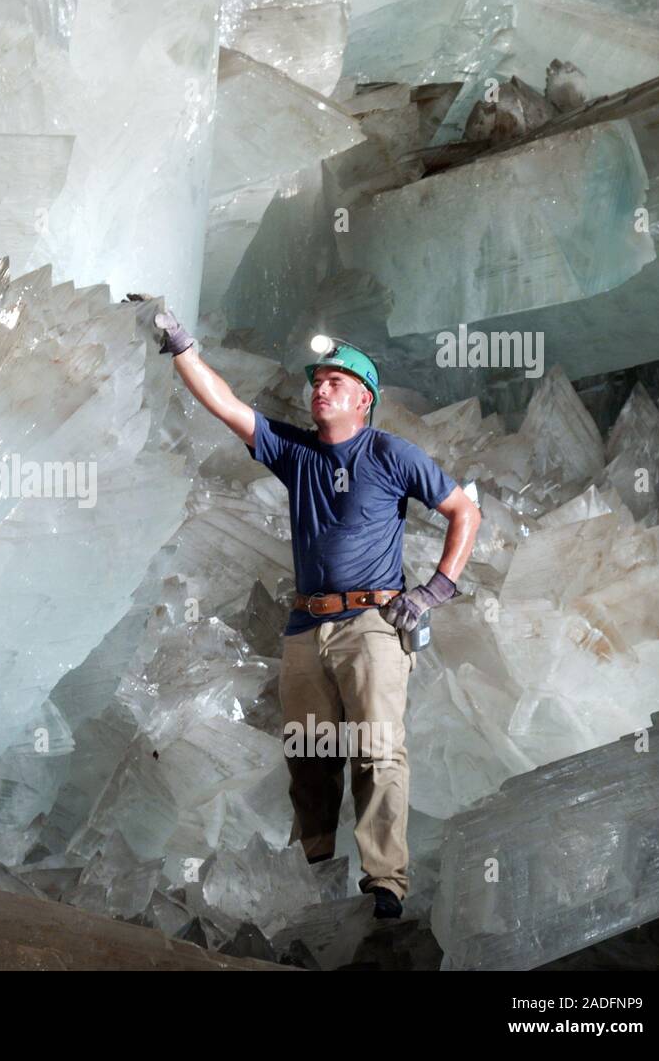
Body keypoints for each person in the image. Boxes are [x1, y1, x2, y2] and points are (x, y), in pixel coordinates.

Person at [153, 307, 481, 919]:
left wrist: (434, 591)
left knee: (378, 750)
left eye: (334, 382)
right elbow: (225, 405)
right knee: (309, 753)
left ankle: (385, 882)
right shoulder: (296, 452)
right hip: (307, 626)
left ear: (364, 399)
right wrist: (180, 346)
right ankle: (315, 869)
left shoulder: (390, 453)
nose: (319, 388)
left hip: (375, 624)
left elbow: (466, 512)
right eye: (317, 381)